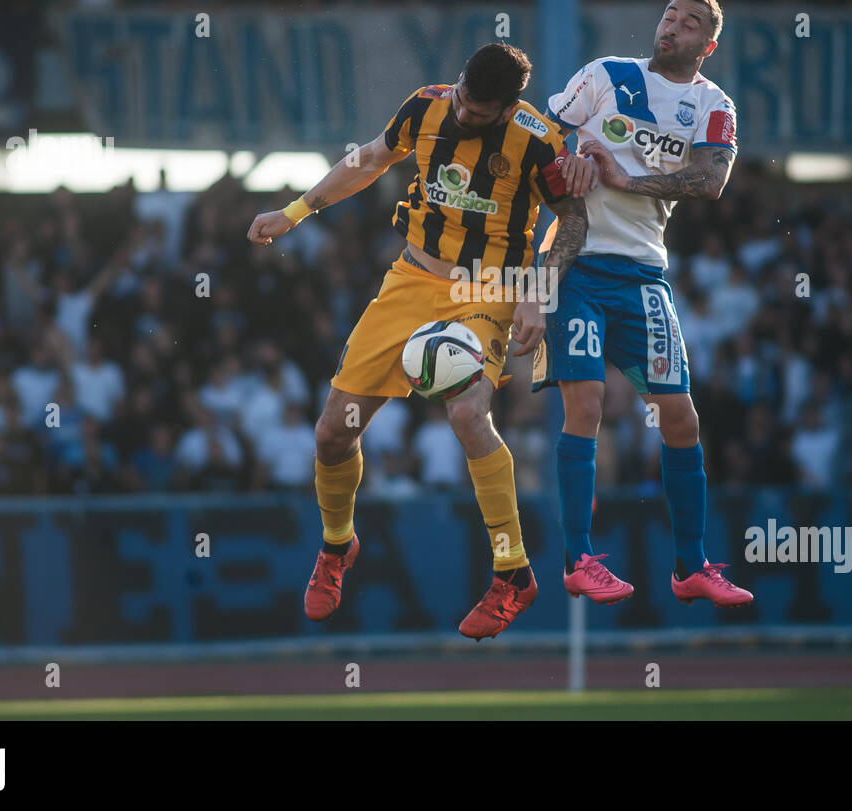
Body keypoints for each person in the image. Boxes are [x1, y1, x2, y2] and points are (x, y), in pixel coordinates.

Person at [247, 43, 596, 640]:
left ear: (508, 109)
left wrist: (538, 291)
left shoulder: (537, 140)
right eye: (462, 97)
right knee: (334, 430)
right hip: (411, 279)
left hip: (488, 288)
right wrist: (297, 210)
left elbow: (573, 218)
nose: (464, 113)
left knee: (466, 412)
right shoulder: (427, 106)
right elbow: (370, 160)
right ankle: (337, 546)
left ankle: (512, 572)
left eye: (480, 112)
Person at [533, 0, 755, 609]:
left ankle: (692, 566)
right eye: (667, 17)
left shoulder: (714, 106)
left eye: (688, 25)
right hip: (575, 263)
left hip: (643, 273)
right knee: (587, 406)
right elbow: (546, 135)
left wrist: (628, 178)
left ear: (707, 46)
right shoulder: (606, 76)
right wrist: (570, 160)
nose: (671, 29)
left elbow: (711, 180)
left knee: (680, 417)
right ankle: (579, 559)